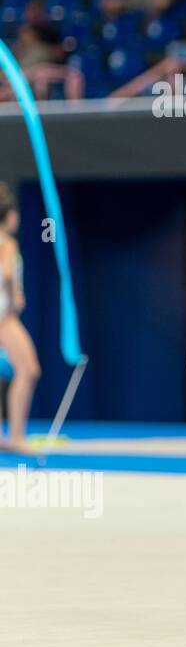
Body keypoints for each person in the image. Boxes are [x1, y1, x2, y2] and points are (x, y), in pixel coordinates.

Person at [0, 183, 39, 454]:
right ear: (10, 215)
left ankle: (10, 435)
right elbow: (8, 272)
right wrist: (17, 297)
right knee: (29, 370)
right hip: (4, 316)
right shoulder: (7, 243)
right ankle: (16, 435)